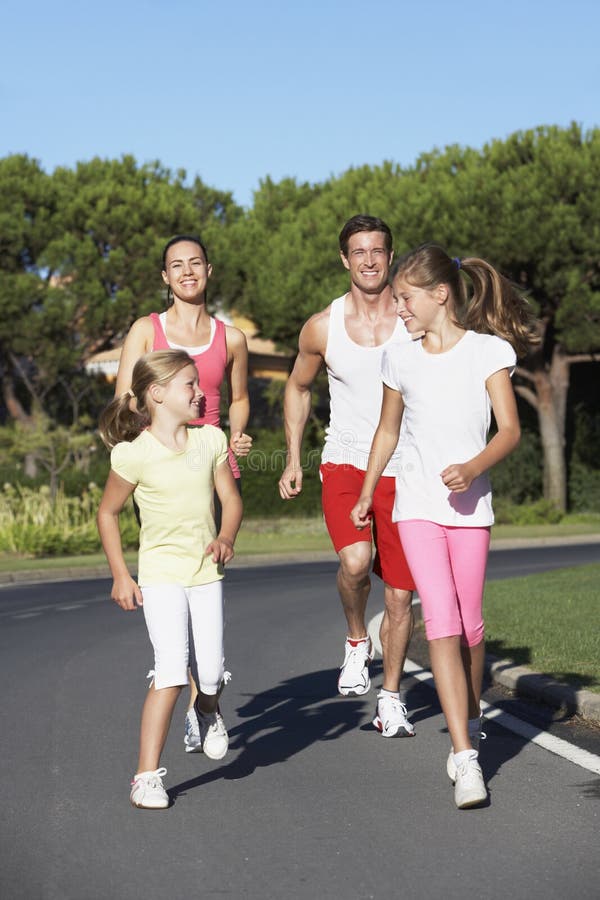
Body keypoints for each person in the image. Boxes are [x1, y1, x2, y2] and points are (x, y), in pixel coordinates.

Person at [350, 243, 538, 808]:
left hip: (469, 508)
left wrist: (473, 467)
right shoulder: (398, 357)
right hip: (416, 508)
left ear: (440, 295)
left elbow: (509, 430)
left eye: (405, 298)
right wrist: (366, 491)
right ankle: (464, 757)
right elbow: (387, 432)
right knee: (443, 624)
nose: (398, 307)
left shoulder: (488, 352)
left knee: (472, 627)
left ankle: (472, 714)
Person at [278, 214, 416, 739]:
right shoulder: (322, 326)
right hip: (345, 459)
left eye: (377, 250)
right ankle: (357, 639)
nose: (369, 260)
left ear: (390, 255)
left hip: (407, 469)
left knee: (401, 597)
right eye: (358, 252)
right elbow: (296, 387)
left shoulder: (413, 320)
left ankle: (391, 697)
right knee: (356, 562)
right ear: (344, 259)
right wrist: (293, 456)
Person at [115, 234, 252, 752]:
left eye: (196, 263)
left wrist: (235, 433)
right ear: (165, 277)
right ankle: (192, 688)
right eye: (177, 265)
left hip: (211, 455)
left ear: (209, 271)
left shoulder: (230, 337)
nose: (188, 272)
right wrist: (151, 447)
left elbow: (237, 399)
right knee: (171, 564)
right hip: (161, 458)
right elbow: (127, 399)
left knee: (209, 569)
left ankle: (206, 693)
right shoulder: (144, 330)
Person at [97, 350, 243, 809]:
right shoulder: (132, 454)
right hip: (160, 576)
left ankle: (207, 710)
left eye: (198, 384)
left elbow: (232, 502)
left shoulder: (211, 441)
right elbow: (108, 513)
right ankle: (145, 778)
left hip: (206, 573)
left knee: (213, 673)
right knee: (171, 672)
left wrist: (225, 537)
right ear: (157, 395)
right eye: (191, 385)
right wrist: (121, 575)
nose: (201, 392)